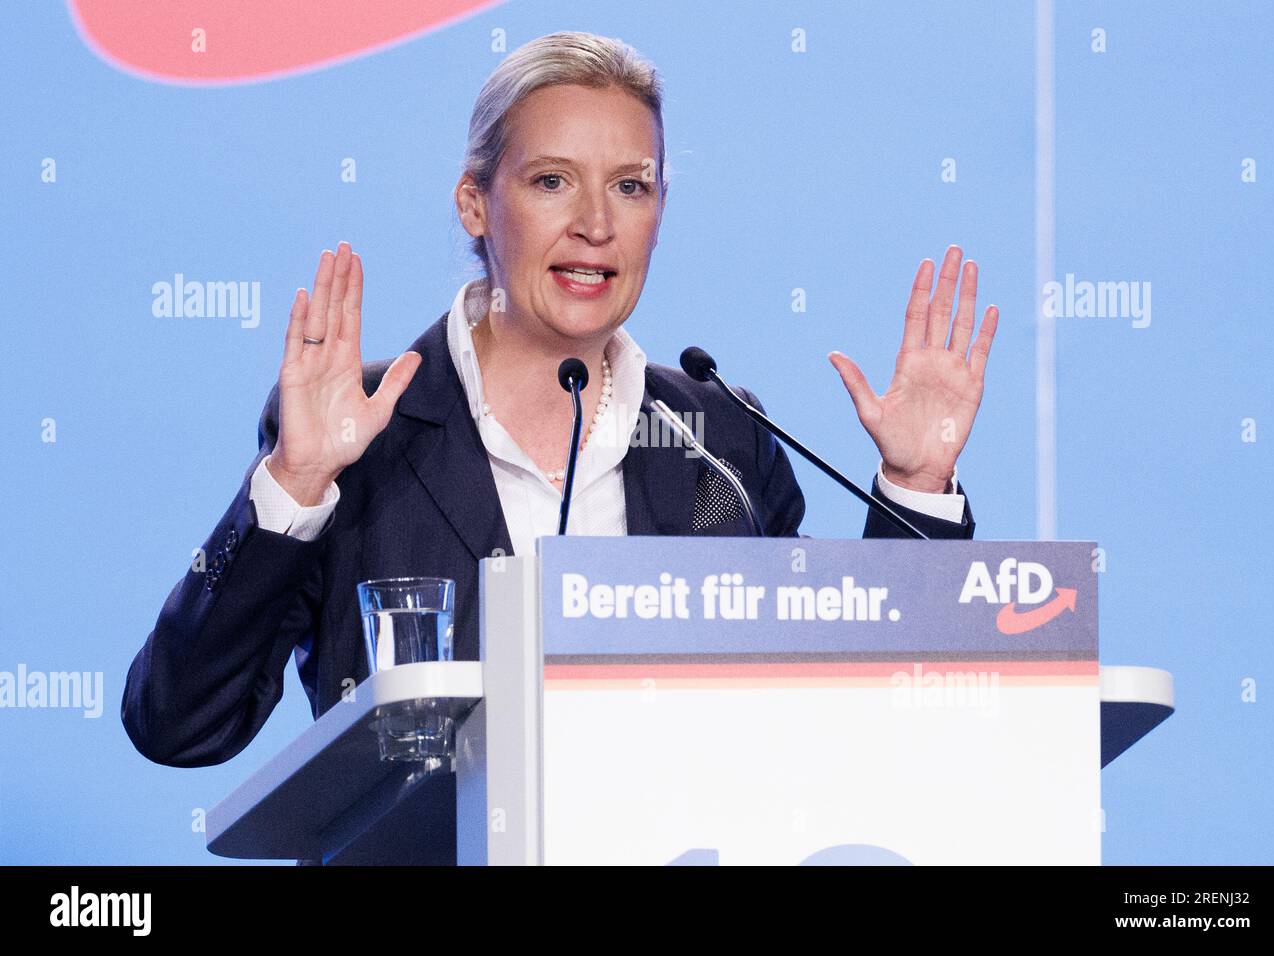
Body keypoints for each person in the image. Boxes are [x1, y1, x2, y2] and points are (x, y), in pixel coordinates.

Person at [122, 31, 998, 769]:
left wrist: (916, 485)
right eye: (551, 181)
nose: (596, 223)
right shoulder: (363, 431)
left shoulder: (718, 438)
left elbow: (867, 711)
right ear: (475, 204)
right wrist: (296, 483)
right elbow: (182, 726)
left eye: (631, 184)